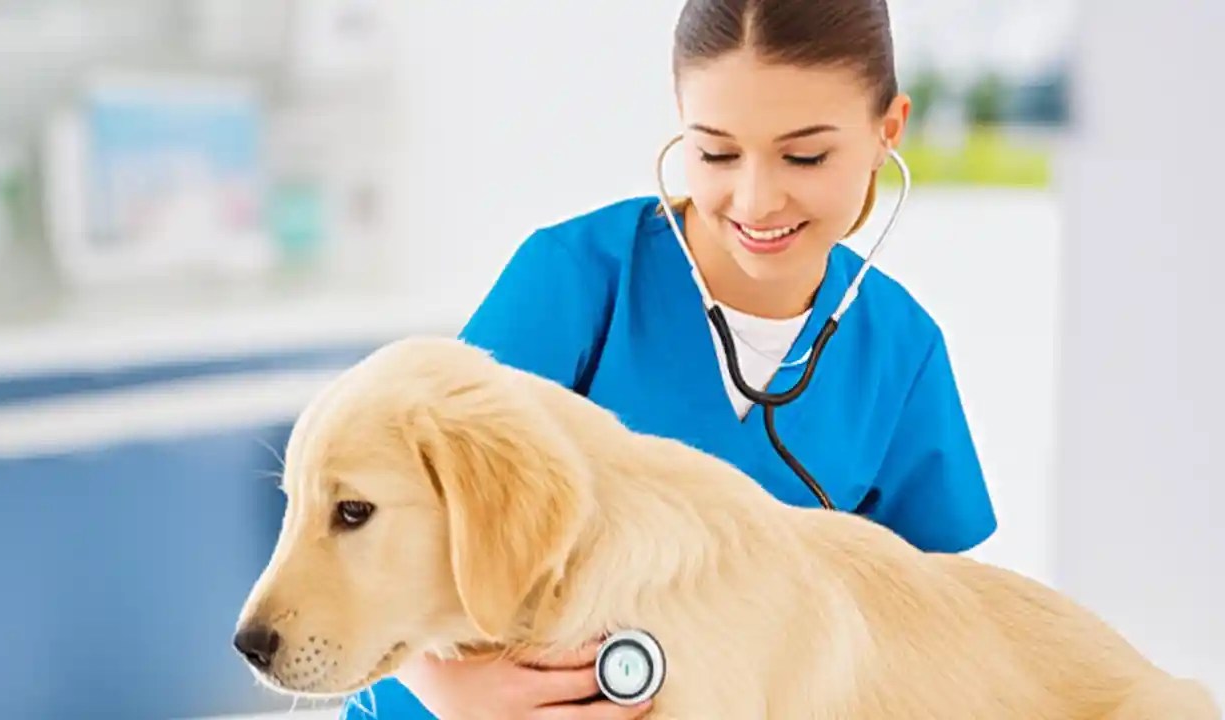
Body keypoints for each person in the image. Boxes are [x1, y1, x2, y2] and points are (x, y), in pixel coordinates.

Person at [342, 0, 997, 717]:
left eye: (805, 155)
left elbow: (928, 627)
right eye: (715, 152)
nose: (755, 198)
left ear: (887, 131)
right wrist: (444, 688)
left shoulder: (902, 351)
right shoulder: (578, 279)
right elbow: (382, 511)